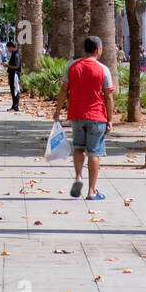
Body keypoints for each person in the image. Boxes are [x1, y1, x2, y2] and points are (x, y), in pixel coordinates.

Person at [53, 35, 115, 202]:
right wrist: (110, 119)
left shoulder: (72, 67)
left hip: (77, 115)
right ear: (98, 50)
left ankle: (79, 176)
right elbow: (108, 96)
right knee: (94, 152)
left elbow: (63, 90)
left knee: (79, 147)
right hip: (96, 116)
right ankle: (91, 191)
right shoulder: (103, 69)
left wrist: (57, 111)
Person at [6, 40, 21, 112]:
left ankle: (15, 106)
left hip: (15, 74)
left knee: (15, 90)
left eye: (8, 48)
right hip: (12, 74)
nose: (8, 50)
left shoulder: (16, 55)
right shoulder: (13, 54)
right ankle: (14, 105)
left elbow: (16, 66)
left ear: (11, 47)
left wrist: (7, 65)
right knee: (13, 90)